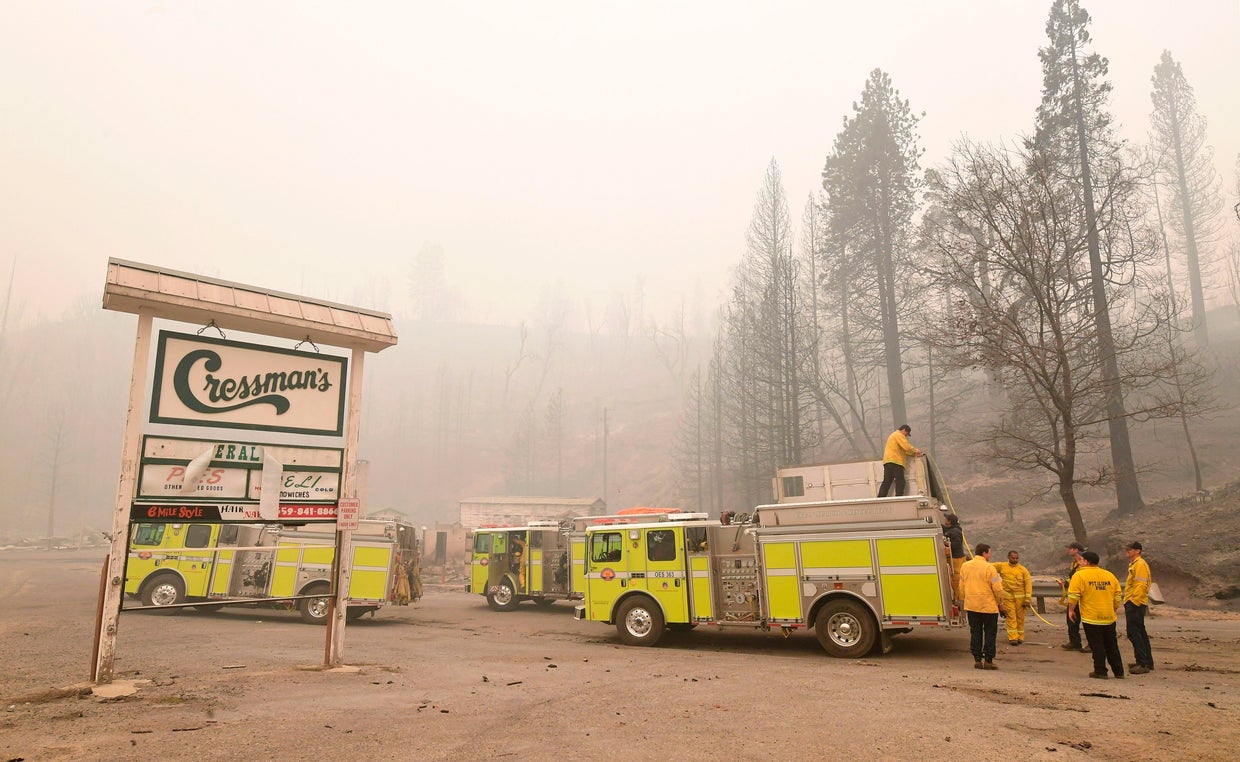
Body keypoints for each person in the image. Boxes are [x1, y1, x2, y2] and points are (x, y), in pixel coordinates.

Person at [1067, 551, 1125, 679]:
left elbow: (1073, 595)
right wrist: (1113, 608)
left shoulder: (1079, 575)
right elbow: (1117, 595)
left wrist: (1071, 610)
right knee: (1111, 644)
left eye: (1081, 560)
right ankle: (1119, 671)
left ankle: (1100, 671)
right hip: (1109, 616)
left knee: (1096, 644)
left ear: (1086, 561)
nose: (1079, 562)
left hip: (1091, 617)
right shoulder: (1109, 575)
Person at [960, 543, 1006, 670]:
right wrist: (1000, 603)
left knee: (975, 632)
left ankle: (977, 659)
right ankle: (989, 660)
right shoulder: (989, 568)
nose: (990, 555)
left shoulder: (965, 566)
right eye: (989, 553)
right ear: (985, 553)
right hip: (988, 606)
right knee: (990, 633)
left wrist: (966, 599)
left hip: (972, 606)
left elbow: (961, 586)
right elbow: (997, 589)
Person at [1123, 541, 1154, 674]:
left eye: (1130, 549)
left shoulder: (1140, 565)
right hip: (1136, 602)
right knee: (1140, 632)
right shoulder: (1135, 564)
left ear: (1138, 551)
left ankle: (1143, 663)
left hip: (1136, 603)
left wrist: (1133, 601)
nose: (1127, 552)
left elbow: (1141, 584)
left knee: (1134, 633)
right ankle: (1146, 661)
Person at [994, 549, 1033, 645]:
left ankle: (1020, 637)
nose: (1015, 560)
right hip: (1008, 597)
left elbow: (1028, 585)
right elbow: (988, 567)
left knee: (1020, 618)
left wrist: (1027, 599)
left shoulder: (1023, 570)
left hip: (1021, 599)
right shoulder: (1002, 566)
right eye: (1013, 558)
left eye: (1017, 558)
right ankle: (1013, 638)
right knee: (1011, 617)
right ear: (1008, 557)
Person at [1058, 542, 1090, 652]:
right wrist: (1066, 583)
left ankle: (1091, 644)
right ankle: (1075, 642)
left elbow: (1082, 577)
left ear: (1075, 550)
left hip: (1084, 596)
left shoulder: (1084, 561)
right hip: (1074, 594)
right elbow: (1075, 578)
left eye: (1070, 549)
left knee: (1088, 622)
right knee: (1072, 619)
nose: (1068, 551)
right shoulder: (1073, 563)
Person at [877, 424, 923, 497]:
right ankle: (899, 497)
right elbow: (907, 447)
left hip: (887, 461)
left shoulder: (893, 436)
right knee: (900, 481)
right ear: (904, 430)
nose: (906, 436)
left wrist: (914, 454)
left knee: (887, 481)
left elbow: (905, 450)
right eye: (906, 434)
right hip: (896, 461)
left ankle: (880, 498)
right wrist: (916, 451)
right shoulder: (899, 435)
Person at [942, 514, 966, 602]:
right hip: (957, 558)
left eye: (946, 518)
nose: (944, 519)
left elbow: (956, 544)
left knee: (957, 579)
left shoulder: (955, 532)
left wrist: (946, 544)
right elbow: (946, 530)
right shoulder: (952, 529)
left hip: (956, 559)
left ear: (950, 521)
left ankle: (959, 599)